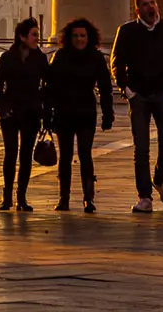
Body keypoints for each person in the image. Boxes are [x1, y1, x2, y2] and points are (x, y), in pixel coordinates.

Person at [111, 0, 163, 214]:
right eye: (145, 4)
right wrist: (126, 89)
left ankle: (160, 179)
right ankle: (144, 197)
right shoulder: (126, 31)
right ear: (138, 10)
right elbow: (116, 62)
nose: (150, 7)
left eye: (153, 3)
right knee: (141, 148)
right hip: (139, 95)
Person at [47, 18, 114, 213]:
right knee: (65, 156)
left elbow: (105, 87)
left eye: (82, 36)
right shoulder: (60, 57)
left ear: (89, 37)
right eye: (75, 36)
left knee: (86, 154)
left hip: (86, 112)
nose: (79, 39)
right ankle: (63, 198)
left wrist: (107, 114)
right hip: (63, 112)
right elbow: (50, 87)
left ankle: (88, 198)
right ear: (69, 37)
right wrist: (47, 113)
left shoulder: (96, 58)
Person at [0, 17, 50, 211]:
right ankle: (6, 196)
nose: (37, 39)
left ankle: (21, 197)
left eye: (37, 35)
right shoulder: (8, 58)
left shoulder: (40, 58)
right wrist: (2, 107)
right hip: (10, 112)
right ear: (22, 37)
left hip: (32, 112)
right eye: (34, 35)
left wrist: (42, 102)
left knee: (25, 155)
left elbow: (49, 83)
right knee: (10, 153)